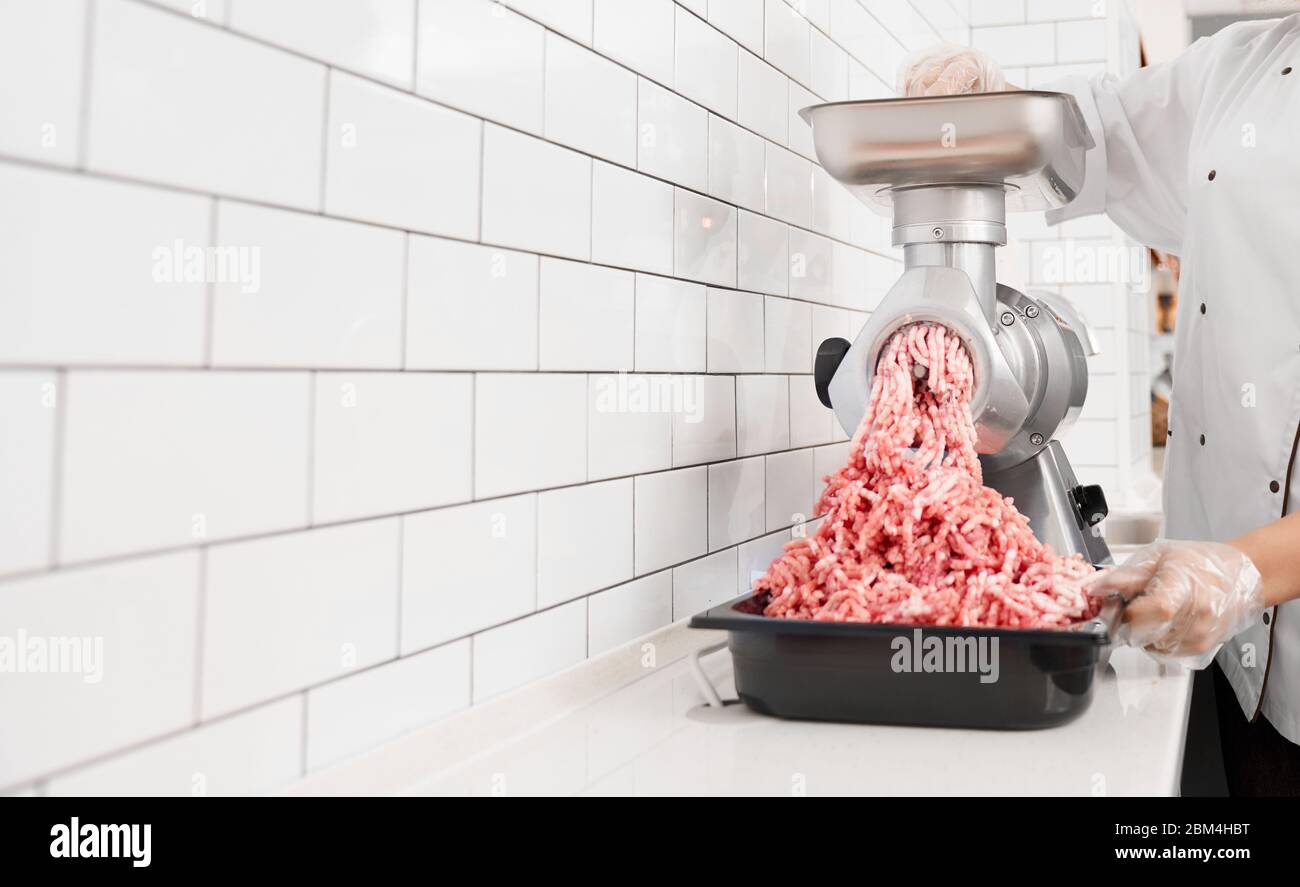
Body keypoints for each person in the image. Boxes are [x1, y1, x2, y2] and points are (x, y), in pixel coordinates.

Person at [900, 19, 1300, 795]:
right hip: (1218, 642)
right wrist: (986, 103)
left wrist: (1246, 569)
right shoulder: (1244, 63)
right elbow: (1098, 133)